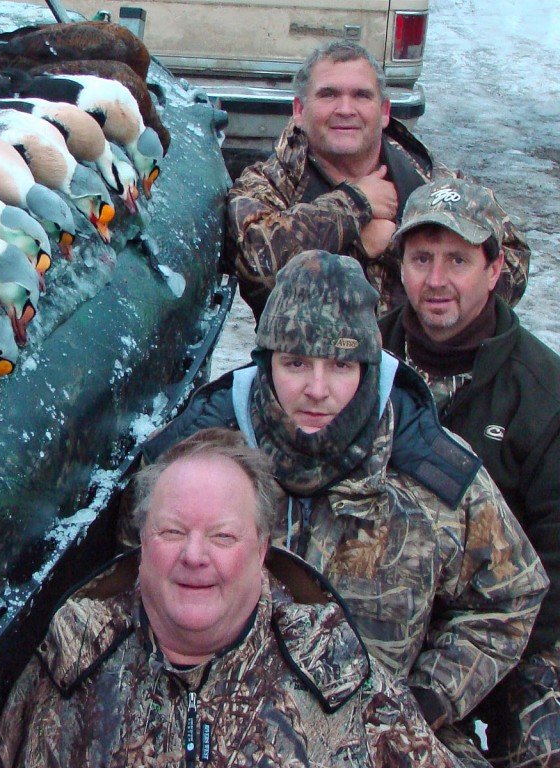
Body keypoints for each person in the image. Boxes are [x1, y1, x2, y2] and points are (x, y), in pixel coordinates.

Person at [138, 250, 547, 763]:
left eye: (340, 365)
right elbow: (131, 581)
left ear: (368, 368)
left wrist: (422, 700)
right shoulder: (193, 460)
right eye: (295, 362)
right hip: (217, 729)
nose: (316, 389)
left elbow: (512, 594)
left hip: (379, 740)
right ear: (265, 362)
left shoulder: (431, 471)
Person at [0, 428, 466, 767]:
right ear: (143, 541)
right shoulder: (74, 654)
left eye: (222, 536)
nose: (194, 556)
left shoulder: (336, 676)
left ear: (261, 549)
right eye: (172, 531)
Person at [380, 177, 560, 767]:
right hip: (379, 620)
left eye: (458, 259)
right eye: (421, 258)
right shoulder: (356, 363)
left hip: (512, 631)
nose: (436, 280)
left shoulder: (543, 391)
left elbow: (555, 564)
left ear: (495, 267)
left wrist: (466, 672)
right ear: (400, 266)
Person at [225, 40, 530, 320]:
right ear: (300, 111)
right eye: (329, 94)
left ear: (384, 112)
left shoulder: (432, 182)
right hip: (309, 375)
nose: (345, 109)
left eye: (361, 95)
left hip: (419, 373)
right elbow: (257, 266)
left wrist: (399, 248)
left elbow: (513, 262)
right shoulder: (264, 185)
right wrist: (353, 206)